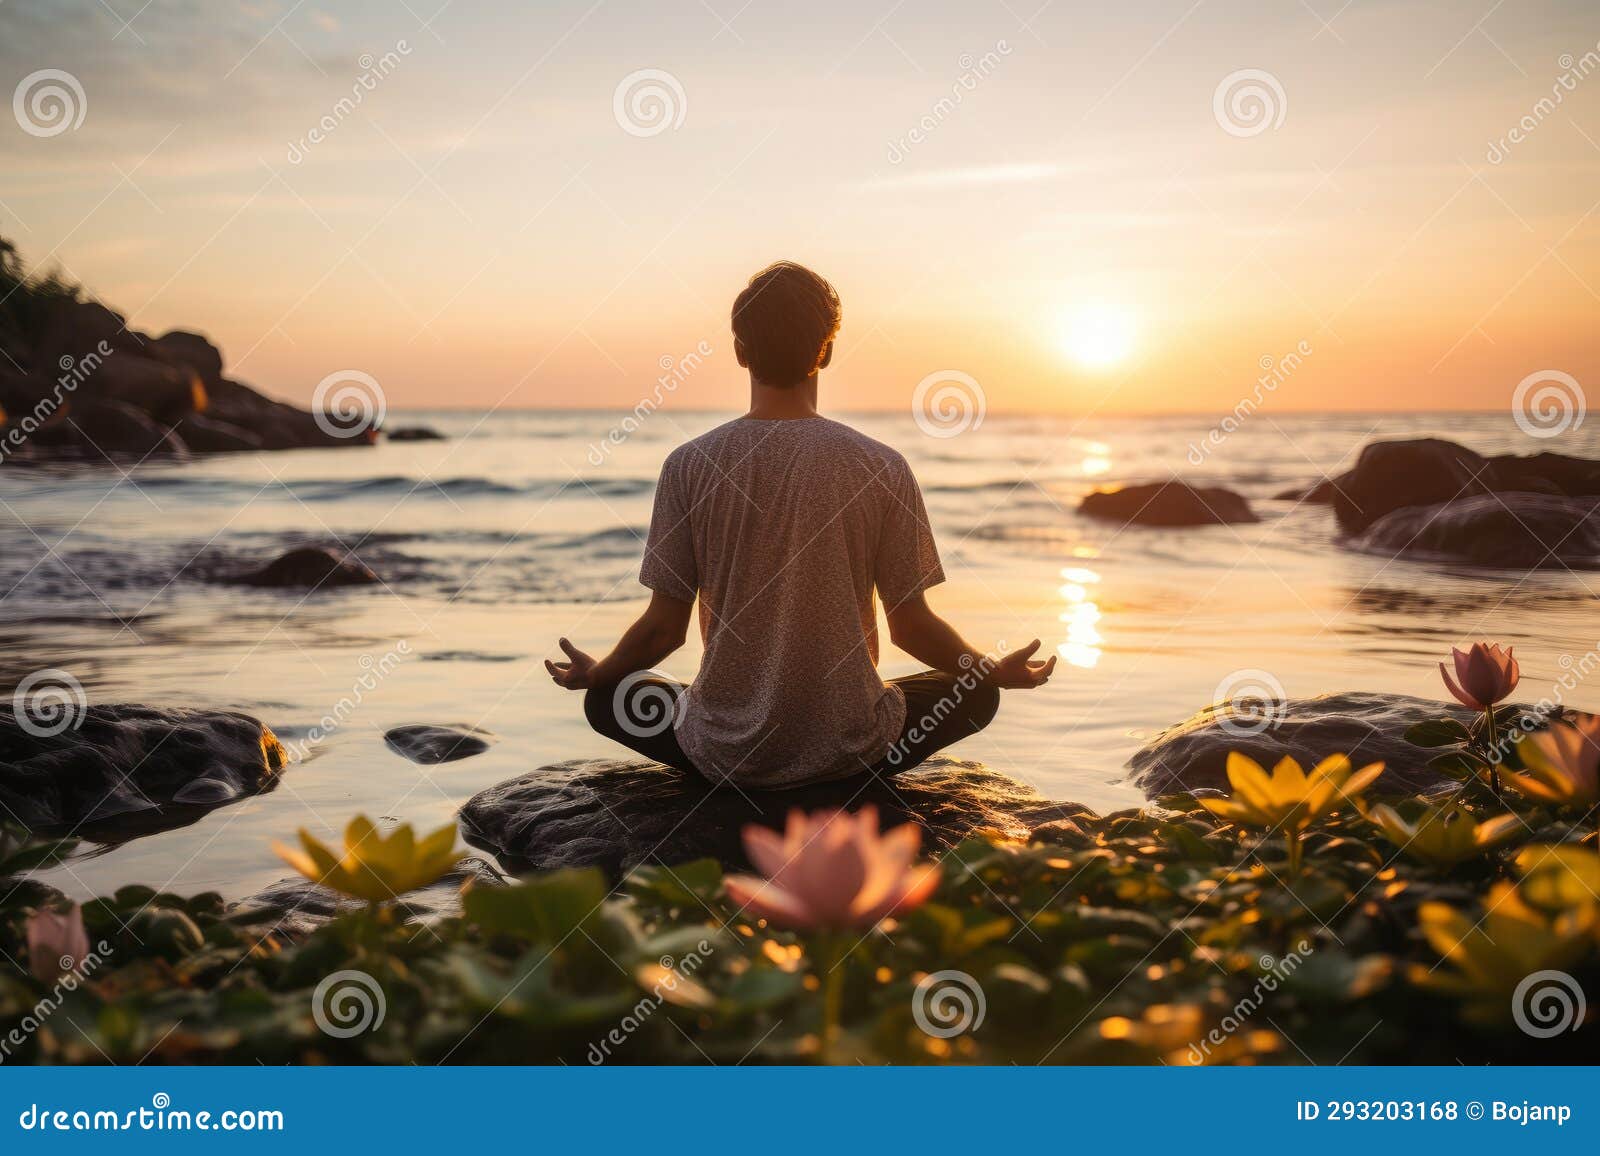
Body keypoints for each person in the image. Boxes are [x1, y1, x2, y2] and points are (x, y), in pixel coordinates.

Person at [546, 260, 1054, 788]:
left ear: (740, 351)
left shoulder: (689, 465)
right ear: (827, 350)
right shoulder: (881, 465)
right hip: (852, 749)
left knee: (607, 700)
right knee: (978, 690)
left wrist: (598, 673)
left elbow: (662, 630)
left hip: (725, 755)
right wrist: (991, 669)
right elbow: (911, 628)